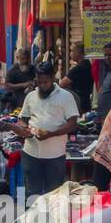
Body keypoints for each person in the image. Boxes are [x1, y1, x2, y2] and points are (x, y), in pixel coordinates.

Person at [15, 62, 79, 199]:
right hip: (31, 153)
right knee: (32, 195)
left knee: (54, 196)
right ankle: (32, 220)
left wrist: (51, 134)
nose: (43, 85)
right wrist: (25, 129)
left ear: (53, 78)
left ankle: (52, 221)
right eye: (39, 82)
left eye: (46, 82)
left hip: (55, 156)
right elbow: (23, 118)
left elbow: (73, 124)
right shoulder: (30, 96)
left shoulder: (66, 97)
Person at [59, 43, 93, 114]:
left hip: (78, 102)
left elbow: (61, 84)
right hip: (87, 101)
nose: (70, 53)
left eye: (72, 51)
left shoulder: (77, 69)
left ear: (77, 53)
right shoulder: (88, 65)